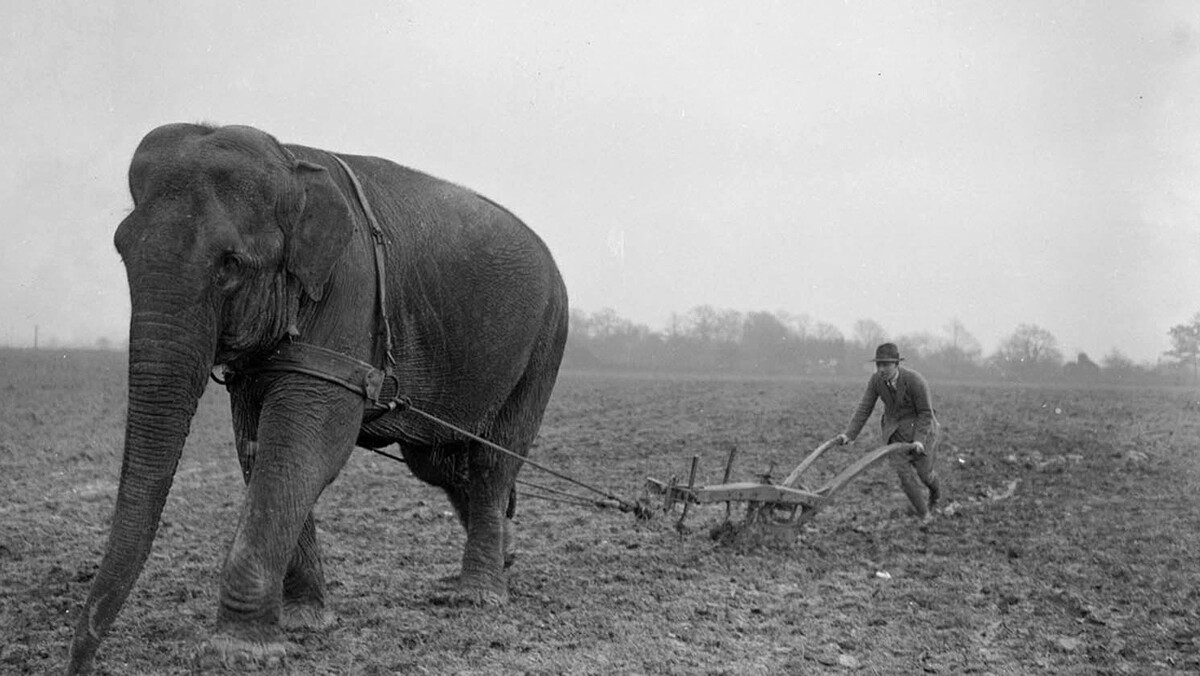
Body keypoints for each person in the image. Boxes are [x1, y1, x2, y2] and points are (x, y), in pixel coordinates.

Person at [835, 342, 942, 523]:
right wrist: (849, 435)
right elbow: (865, 407)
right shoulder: (876, 381)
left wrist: (919, 441)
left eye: (886, 365)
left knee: (925, 474)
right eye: (879, 365)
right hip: (896, 434)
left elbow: (925, 413)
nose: (882, 369)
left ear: (896, 364)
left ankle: (935, 494)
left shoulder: (915, 381)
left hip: (922, 431)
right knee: (904, 474)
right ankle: (925, 514)